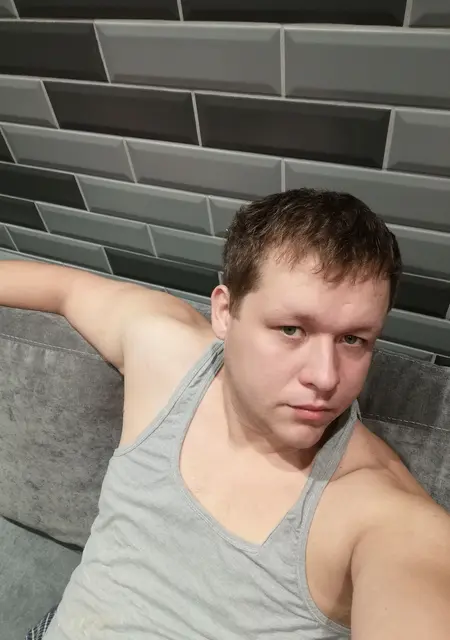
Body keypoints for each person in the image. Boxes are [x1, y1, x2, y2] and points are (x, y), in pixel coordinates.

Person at [3, 188, 449, 640]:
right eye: (291, 329)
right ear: (224, 312)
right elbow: (67, 289)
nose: (326, 377)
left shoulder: (386, 514)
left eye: (353, 339)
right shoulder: (167, 355)